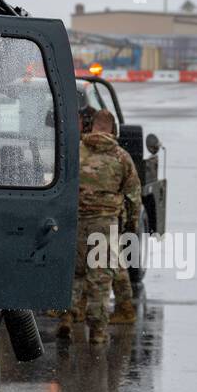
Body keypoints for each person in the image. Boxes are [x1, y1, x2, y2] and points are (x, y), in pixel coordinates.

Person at [59, 108, 141, 343]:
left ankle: (66, 317)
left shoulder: (75, 152)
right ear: (113, 129)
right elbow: (134, 195)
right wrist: (132, 224)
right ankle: (97, 332)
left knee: (73, 275)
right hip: (104, 224)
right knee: (100, 279)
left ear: (91, 126)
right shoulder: (121, 157)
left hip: (73, 223)